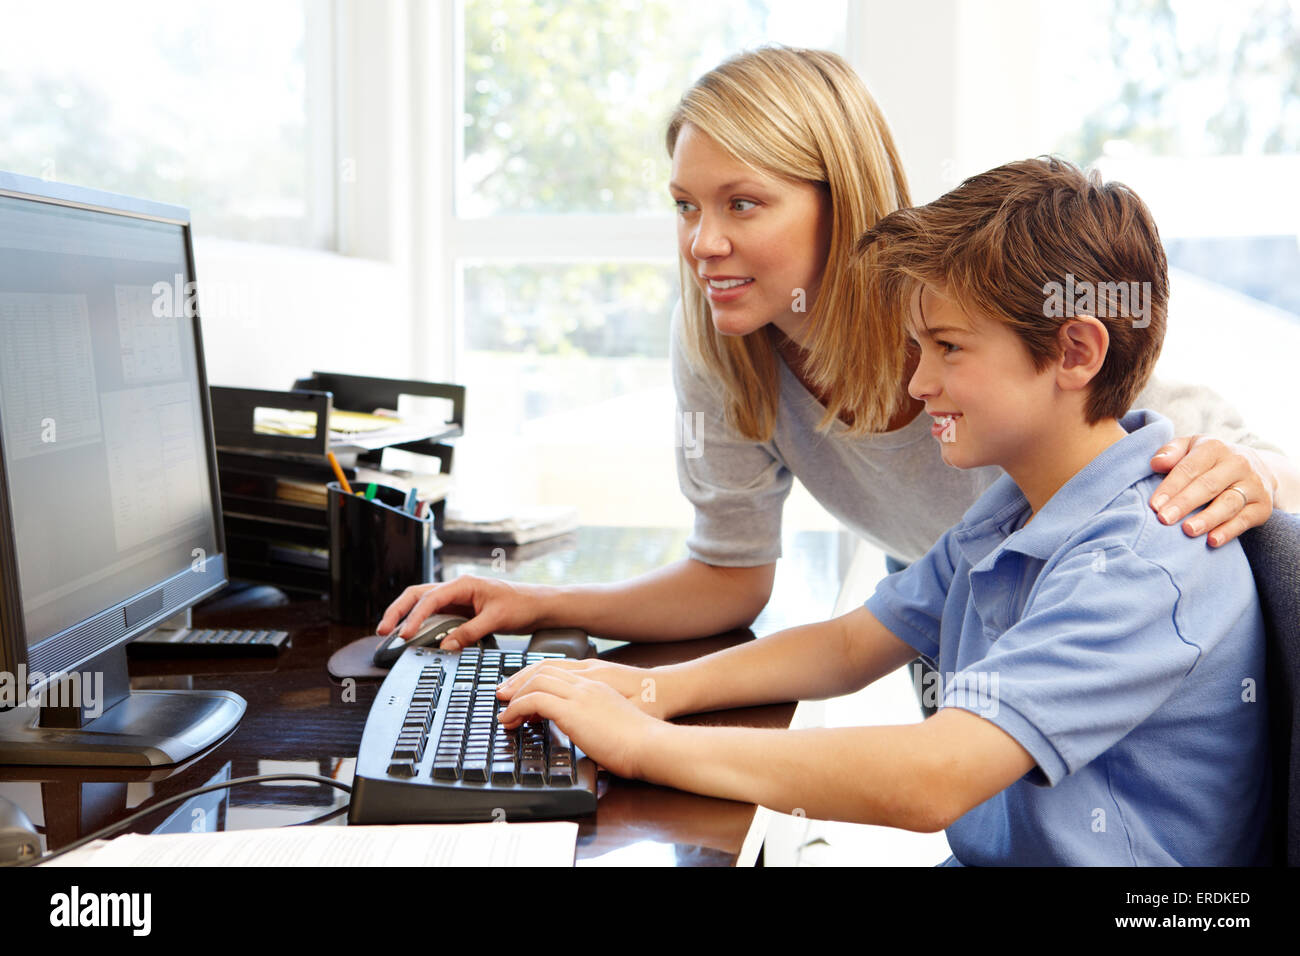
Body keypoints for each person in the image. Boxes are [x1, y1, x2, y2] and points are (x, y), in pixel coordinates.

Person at [377, 45, 1297, 655]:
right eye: (685, 206)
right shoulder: (722, 335)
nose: (701, 243)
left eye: (741, 203)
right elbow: (730, 577)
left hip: (1087, 611)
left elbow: (1166, 416)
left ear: (840, 197)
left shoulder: (960, 298)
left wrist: (1253, 470)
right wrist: (545, 608)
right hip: (945, 598)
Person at [494, 156, 1271, 865]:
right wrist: (653, 691)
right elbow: (849, 645)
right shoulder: (1014, 510)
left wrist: (640, 746)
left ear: (1075, 351)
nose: (918, 382)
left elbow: (931, 779)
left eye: (948, 348)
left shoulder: (1143, 558)